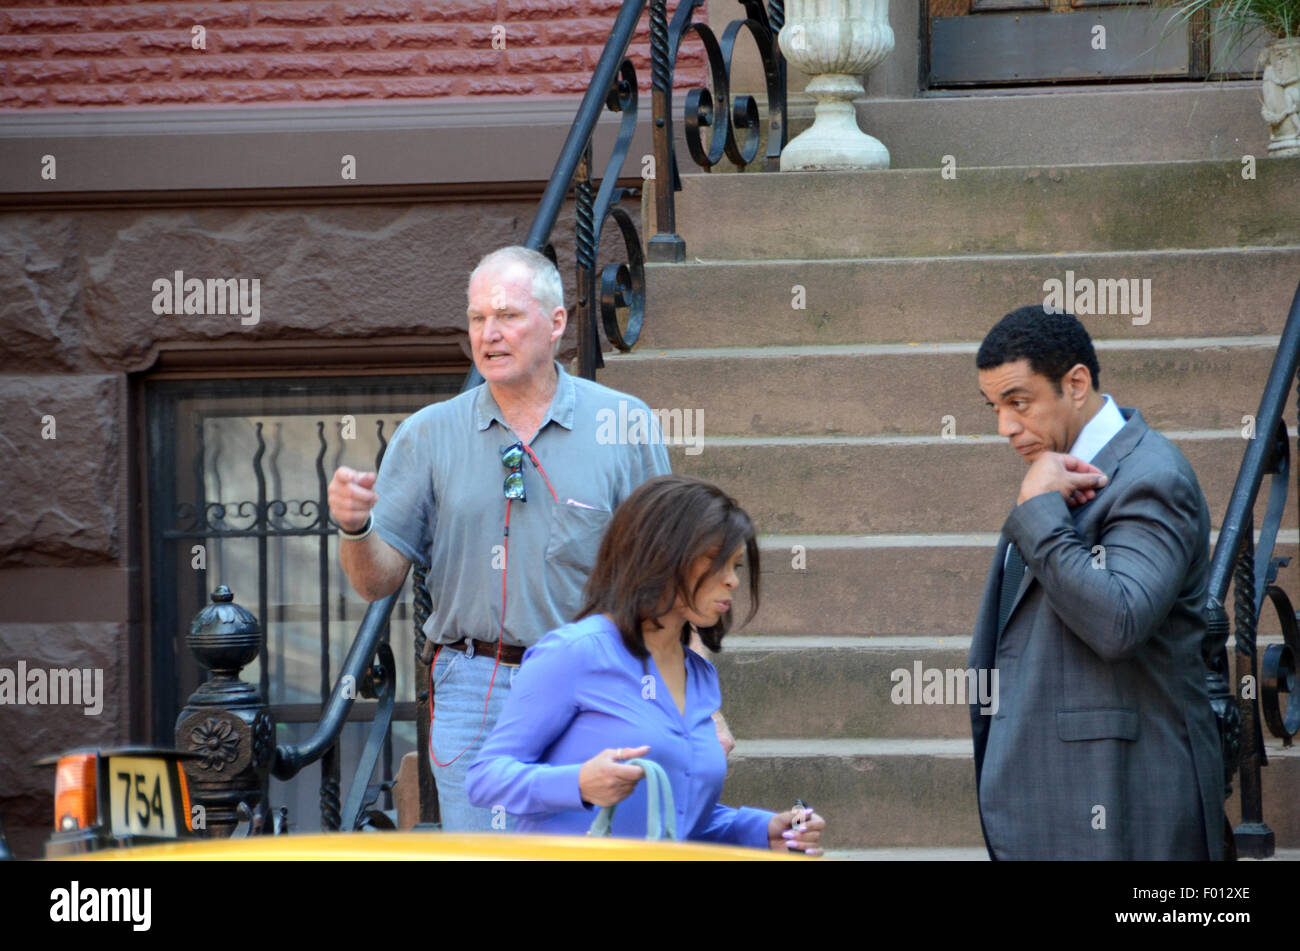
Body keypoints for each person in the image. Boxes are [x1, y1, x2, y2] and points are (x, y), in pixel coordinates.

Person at [326, 246, 733, 831]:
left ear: (557, 323)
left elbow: (674, 579)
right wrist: (354, 527)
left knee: (588, 845)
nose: (488, 334)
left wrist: (700, 709)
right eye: (476, 319)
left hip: (596, 680)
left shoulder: (626, 424)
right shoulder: (427, 435)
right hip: (470, 686)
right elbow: (376, 581)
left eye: (508, 316)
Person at [968, 305, 1223, 860]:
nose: (1005, 427)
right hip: (1056, 801)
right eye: (995, 408)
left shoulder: (1152, 476)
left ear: (1076, 383)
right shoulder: (1057, 472)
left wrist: (1038, 511)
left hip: (1124, 805)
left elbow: (1118, 621)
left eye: (1018, 402)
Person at [466, 475, 827, 853]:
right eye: (715, 561)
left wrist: (761, 830)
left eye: (736, 565)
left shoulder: (699, 675)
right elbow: (485, 779)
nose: (733, 581)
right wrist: (578, 784)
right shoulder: (575, 653)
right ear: (660, 555)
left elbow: (680, 820)